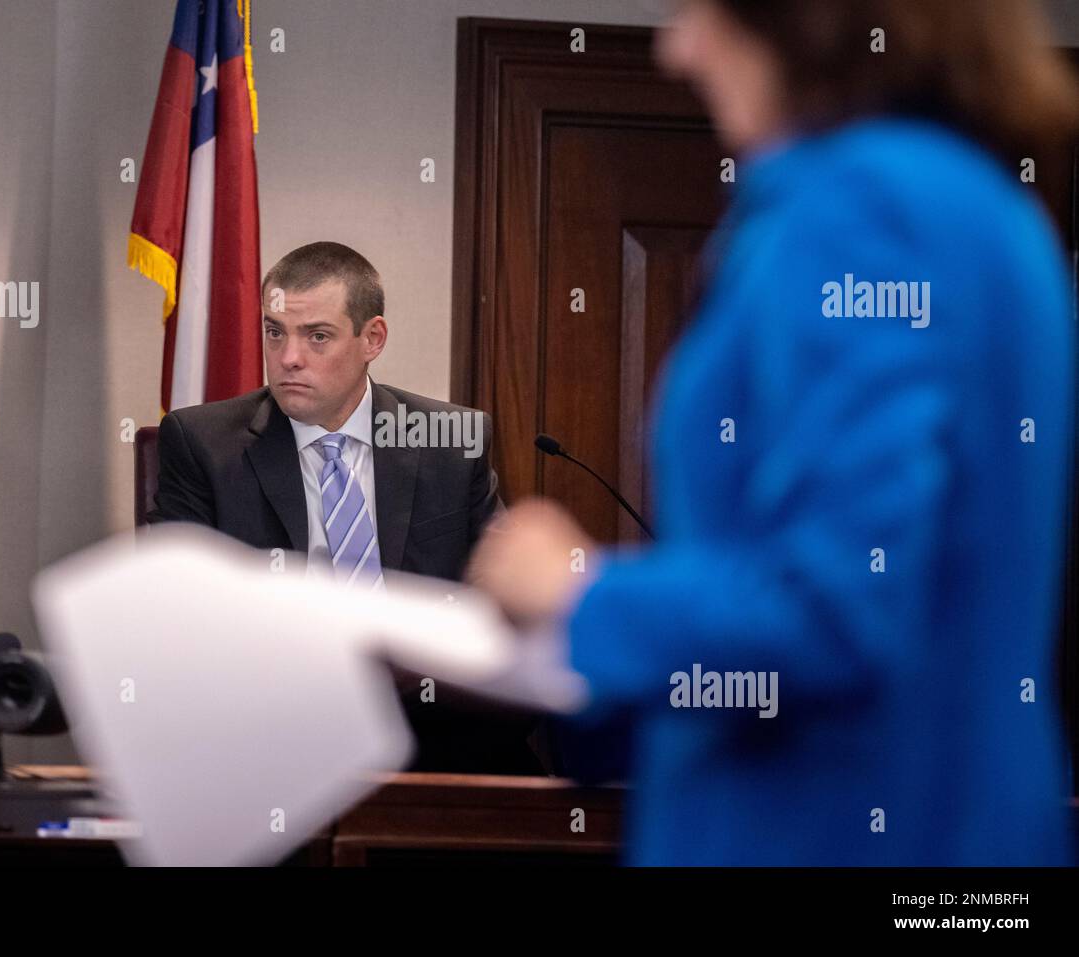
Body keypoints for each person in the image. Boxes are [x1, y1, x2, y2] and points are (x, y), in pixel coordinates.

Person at [469, 0, 1079, 864]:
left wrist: (580, 592)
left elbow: (839, 605)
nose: (676, 49)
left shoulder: (857, 210)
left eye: (700, 9)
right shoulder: (988, 209)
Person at [151, 241, 546, 774]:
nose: (289, 357)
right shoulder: (202, 443)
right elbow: (176, 606)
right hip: (273, 731)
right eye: (275, 332)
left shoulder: (449, 440)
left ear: (372, 339)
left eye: (317, 336)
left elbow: (502, 597)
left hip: (431, 728)